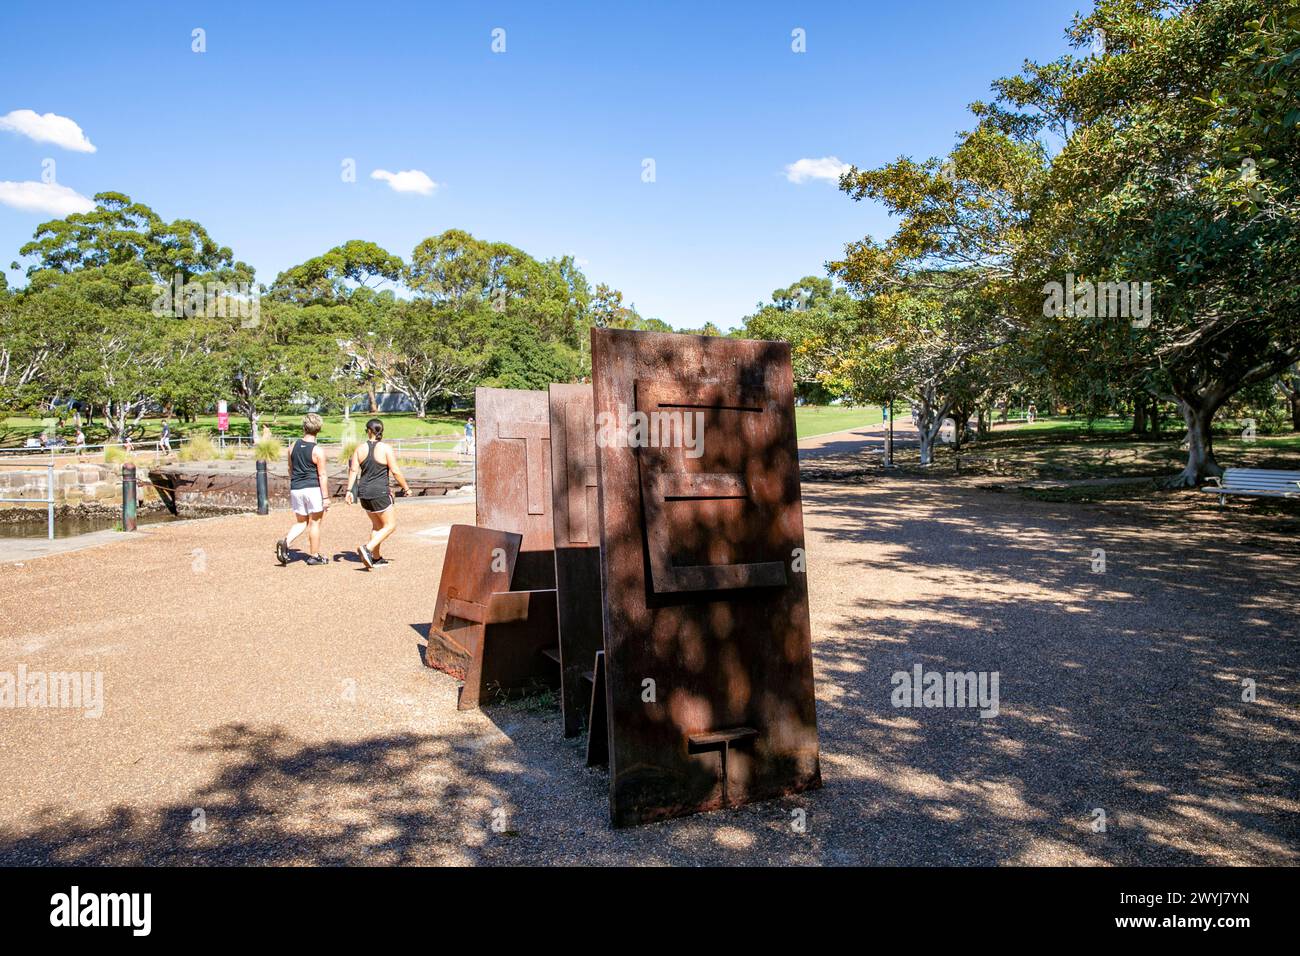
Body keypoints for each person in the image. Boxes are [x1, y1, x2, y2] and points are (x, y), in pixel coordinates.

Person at [346, 418, 411, 569]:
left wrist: (349, 491)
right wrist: (406, 488)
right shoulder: (385, 448)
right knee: (390, 525)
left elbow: (353, 470)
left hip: (363, 493)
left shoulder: (359, 449)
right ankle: (367, 549)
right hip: (379, 492)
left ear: (368, 431)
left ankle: (375, 558)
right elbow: (395, 471)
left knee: (377, 525)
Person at [275, 413, 331, 566]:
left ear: (304, 427)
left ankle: (286, 542)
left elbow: (290, 469)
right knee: (315, 522)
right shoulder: (317, 450)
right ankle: (315, 555)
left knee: (301, 522)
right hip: (312, 488)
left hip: (296, 488)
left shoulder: (292, 446)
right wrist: (325, 498)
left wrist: (296, 482)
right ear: (318, 429)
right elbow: (322, 475)